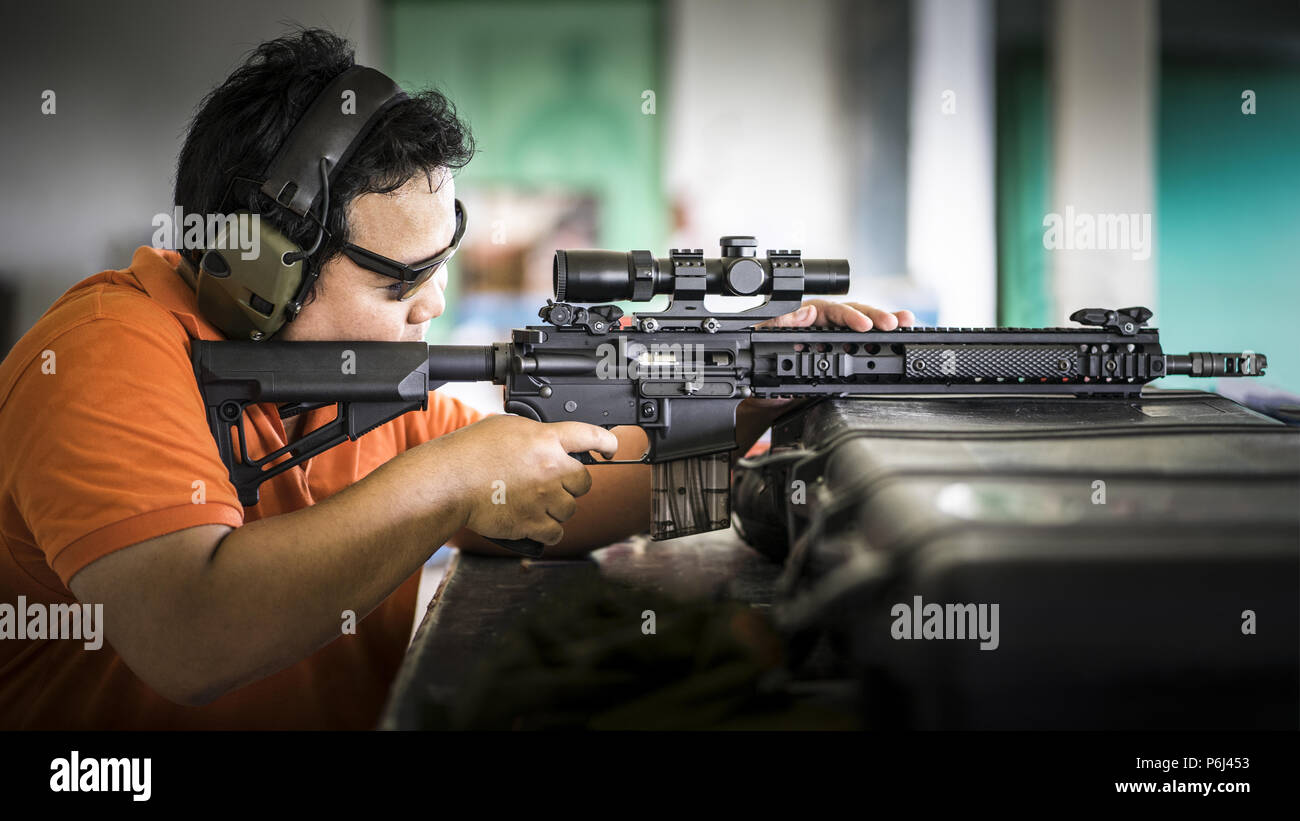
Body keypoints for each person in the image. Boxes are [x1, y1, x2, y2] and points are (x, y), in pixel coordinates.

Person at [0, 29, 913, 729]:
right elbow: (190, 635)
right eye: (397, 281)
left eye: (440, 266)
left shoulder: (337, 381)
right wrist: (452, 478)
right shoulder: (99, 353)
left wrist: (751, 406)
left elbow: (569, 495)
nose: (430, 305)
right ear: (258, 265)